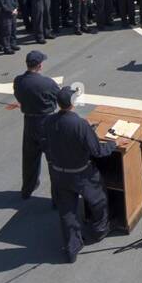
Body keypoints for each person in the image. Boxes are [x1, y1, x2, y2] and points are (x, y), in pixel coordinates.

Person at [42, 86, 114, 263]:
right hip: (82, 174)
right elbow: (97, 151)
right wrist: (113, 144)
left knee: (67, 212)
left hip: (59, 174)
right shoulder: (80, 124)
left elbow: (45, 143)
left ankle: (72, 247)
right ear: (73, 103)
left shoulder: (48, 121)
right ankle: (99, 231)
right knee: (98, 200)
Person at [12, 50, 60, 199]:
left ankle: (27, 188)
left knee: (29, 159)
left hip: (29, 121)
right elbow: (59, 97)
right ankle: (57, 196)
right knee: (54, 161)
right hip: (46, 121)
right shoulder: (47, 83)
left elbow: (19, 96)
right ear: (40, 65)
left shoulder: (18, 80)